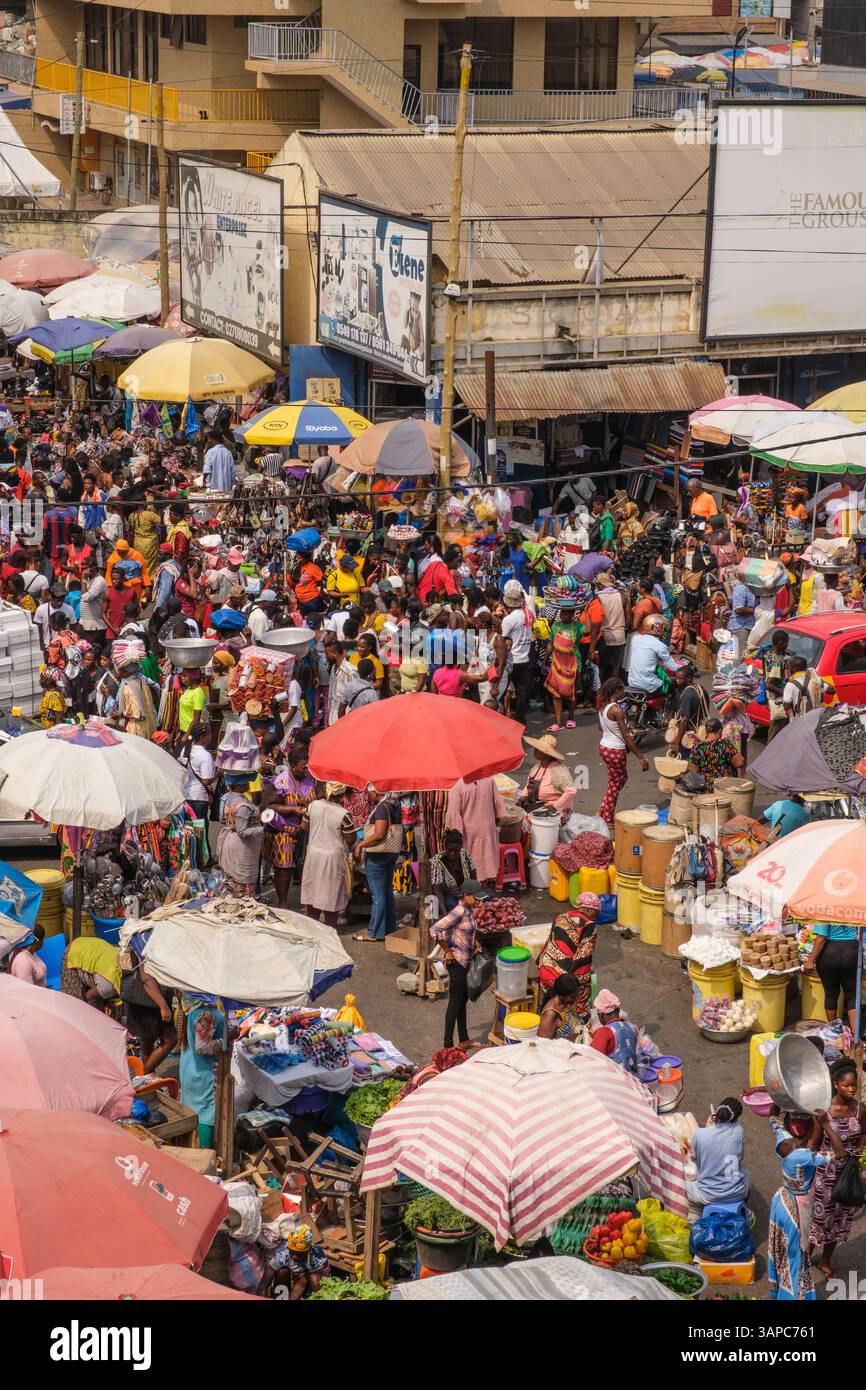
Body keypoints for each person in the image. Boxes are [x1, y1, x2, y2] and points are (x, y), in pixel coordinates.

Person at [768, 1114, 843, 1301]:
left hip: (780, 1202)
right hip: (797, 1209)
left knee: (779, 1248)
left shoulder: (782, 1143)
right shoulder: (806, 1157)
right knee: (796, 1255)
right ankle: (791, 1296)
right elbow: (840, 1152)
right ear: (809, 1131)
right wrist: (825, 1124)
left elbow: (772, 1116)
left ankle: (776, 1289)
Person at [809, 1059, 866, 1278]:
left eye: (854, 1085)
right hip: (826, 1174)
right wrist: (801, 1163)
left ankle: (825, 1260)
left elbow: (863, 1133)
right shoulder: (824, 1112)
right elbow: (813, 1143)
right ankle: (806, 1258)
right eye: (846, 1085)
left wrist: (860, 1150)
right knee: (820, 1218)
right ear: (836, 1085)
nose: (851, 1089)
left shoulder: (860, 1110)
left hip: (849, 1173)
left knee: (841, 1218)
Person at [430, 879, 490, 1050]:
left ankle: (464, 1039)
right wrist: (447, 951)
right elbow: (434, 929)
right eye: (476, 898)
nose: (479, 901)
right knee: (455, 1004)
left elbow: (463, 932)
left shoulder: (469, 911)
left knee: (462, 1002)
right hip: (457, 963)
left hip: (466, 960)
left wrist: (475, 943)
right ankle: (447, 1046)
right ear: (466, 896)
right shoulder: (459, 911)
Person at [261, 749, 315, 910]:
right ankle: (283, 901)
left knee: (306, 865)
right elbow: (267, 806)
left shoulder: (310, 780)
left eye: (307, 767)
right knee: (284, 868)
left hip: (306, 830)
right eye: (303, 767)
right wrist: (292, 810)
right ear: (292, 766)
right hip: (284, 830)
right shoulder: (280, 782)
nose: (306, 770)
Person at [300, 782, 355, 926]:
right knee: (331, 897)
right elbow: (350, 839)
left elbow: (304, 826)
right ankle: (330, 929)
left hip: (313, 856)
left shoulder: (312, 806)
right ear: (342, 795)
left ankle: (313, 930)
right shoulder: (344, 814)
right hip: (332, 859)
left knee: (313, 894)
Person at [596, 678, 649, 824]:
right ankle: (607, 818)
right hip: (615, 750)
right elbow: (626, 735)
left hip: (604, 747)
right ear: (617, 692)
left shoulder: (603, 706)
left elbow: (601, 728)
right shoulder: (617, 710)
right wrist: (640, 757)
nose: (624, 692)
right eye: (622, 689)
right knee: (614, 784)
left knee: (620, 779)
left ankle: (603, 808)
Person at [352, 793, 403, 943]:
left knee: (378, 895)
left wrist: (360, 845)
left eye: (371, 793)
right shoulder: (395, 804)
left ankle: (374, 932)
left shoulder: (382, 807)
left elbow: (380, 834)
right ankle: (389, 928)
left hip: (378, 855)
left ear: (376, 791)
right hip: (390, 853)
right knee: (386, 892)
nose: (369, 796)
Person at [537, 895, 600, 1014]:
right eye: (597, 913)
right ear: (591, 910)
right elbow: (583, 959)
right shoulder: (588, 926)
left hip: (545, 969)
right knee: (581, 1002)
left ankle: (548, 1018)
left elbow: (550, 942)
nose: (597, 917)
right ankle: (577, 1028)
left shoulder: (561, 917)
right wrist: (585, 985)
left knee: (556, 1003)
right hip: (560, 977)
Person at [178, 992, 225, 1148]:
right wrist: (227, 1038)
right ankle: (206, 1152)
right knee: (207, 1114)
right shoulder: (204, 1013)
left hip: (190, 1070)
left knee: (193, 1110)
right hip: (204, 1074)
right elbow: (203, 1047)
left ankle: (193, 1146)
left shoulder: (189, 1006)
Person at [687, 1098, 751, 1210]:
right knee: (747, 1175)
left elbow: (694, 1158)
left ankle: (696, 1213)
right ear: (735, 1118)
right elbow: (739, 1157)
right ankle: (744, 1208)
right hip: (737, 1193)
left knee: (681, 1184)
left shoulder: (699, 1135)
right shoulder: (738, 1131)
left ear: (717, 1111)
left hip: (707, 1195)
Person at [443, 775, 504, 886]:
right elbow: (498, 803)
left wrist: (454, 835)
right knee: (485, 863)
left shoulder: (457, 785)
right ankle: (484, 890)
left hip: (469, 833)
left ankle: (475, 893)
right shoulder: (489, 779)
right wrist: (498, 822)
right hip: (488, 829)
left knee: (472, 866)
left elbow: (454, 814)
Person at [802, 918, 859, 1031]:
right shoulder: (852, 905)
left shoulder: (827, 908)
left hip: (830, 953)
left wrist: (810, 960)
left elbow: (821, 937)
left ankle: (833, 1032)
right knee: (852, 995)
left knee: (831, 994)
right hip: (852, 951)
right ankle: (854, 1034)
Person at [217, 772, 264, 897]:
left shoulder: (227, 798)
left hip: (230, 841)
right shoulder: (243, 805)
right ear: (239, 785)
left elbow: (222, 819)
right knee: (242, 880)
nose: (249, 784)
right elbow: (242, 831)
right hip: (242, 847)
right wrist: (263, 829)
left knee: (231, 878)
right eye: (246, 781)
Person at [260, 1223, 329, 1302]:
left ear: (308, 1250)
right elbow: (263, 1287)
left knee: (314, 1278)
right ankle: (281, 1298)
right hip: (295, 1280)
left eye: (299, 1254)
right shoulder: (282, 1254)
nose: (294, 1257)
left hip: (310, 1283)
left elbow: (305, 1281)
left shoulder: (317, 1257)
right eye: (292, 1252)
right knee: (282, 1272)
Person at [543, 598, 581, 731]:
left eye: (568, 613)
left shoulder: (578, 626)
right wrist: (544, 662)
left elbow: (589, 630)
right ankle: (558, 722)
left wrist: (585, 608)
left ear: (572, 614)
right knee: (556, 693)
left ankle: (571, 718)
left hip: (573, 665)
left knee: (571, 693)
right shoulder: (555, 626)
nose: (565, 616)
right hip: (557, 664)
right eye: (563, 613)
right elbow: (550, 645)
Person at [501, 579, 535, 724]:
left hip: (512, 660)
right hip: (525, 658)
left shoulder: (508, 619)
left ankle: (502, 716)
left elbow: (502, 639)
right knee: (522, 692)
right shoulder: (527, 615)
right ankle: (520, 718)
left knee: (503, 690)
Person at [518, 733, 575, 817]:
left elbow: (571, 791)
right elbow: (528, 785)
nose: (535, 750)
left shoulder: (557, 770)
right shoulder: (537, 767)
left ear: (546, 753)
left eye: (538, 749)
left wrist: (555, 806)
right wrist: (523, 797)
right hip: (537, 805)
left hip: (555, 811)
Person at [60, 935, 120, 1007]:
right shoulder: (108, 986)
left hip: (93, 947)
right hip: (75, 953)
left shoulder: (129, 961)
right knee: (74, 1003)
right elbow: (90, 996)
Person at [687, 716, 744, 790]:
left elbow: (692, 769)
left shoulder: (698, 747)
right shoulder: (724, 744)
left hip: (705, 787)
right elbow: (739, 763)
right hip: (724, 787)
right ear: (720, 730)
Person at [626, 617, 679, 694]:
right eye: (664, 628)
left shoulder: (635, 639)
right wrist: (686, 667)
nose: (665, 631)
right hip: (651, 687)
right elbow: (672, 667)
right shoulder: (660, 645)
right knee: (675, 683)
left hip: (633, 683)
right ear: (659, 629)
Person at [668, 663, 710, 758]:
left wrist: (677, 742)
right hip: (699, 731)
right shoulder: (700, 689)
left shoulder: (687, 695)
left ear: (689, 678)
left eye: (680, 678)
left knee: (685, 765)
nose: (677, 681)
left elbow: (684, 720)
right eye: (676, 678)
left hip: (688, 736)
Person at [431, 829, 477, 915]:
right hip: (449, 893)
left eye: (456, 851)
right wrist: (445, 914)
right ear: (445, 848)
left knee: (484, 902)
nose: (452, 854)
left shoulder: (465, 854)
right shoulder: (437, 861)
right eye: (449, 850)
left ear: (460, 848)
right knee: (454, 910)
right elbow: (438, 890)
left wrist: (471, 894)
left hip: (466, 892)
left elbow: (474, 878)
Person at [591, 989, 638, 1072]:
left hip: (615, 1080)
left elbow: (595, 1062)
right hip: (632, 1079)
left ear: (601, 1015)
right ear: (618, 1011)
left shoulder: (604, 1032)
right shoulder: (632, 1028)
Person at [178, 722, 216, 822]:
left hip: (185, 796)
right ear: (202, 737)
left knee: (189, 829)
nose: (211, 736)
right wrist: (218, 773)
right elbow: (206, 781)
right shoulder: (205, 755)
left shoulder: (185, 750)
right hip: (199, 798)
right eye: (209, 734)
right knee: (200, 831)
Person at [537, 974, 590, 1041]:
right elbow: (543, 1043)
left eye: (576, 995)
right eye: (573, 997)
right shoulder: (551, 1014)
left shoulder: (566, 1003)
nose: (576, 999)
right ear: (562, 996)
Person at [762, 629, 790, 742]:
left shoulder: (767, 654)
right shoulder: (777, 660)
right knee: (775, 731)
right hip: (777, 699)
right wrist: (784, 694)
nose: (787, 645)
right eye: (786, 642)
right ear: (780, 643)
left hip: (771, 698)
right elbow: (769, 684)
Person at [783, 656, 825, 720]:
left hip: (799, 723)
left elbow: (786, 707)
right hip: (817, 719)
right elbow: (832, 690)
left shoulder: (790, 685)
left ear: (795, 669)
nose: (789, 669)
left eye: (789, 667)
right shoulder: (816, 679)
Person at [728, 577, 757, 659]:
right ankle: (736, 671)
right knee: (739, 656)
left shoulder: (752, 589)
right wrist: (757, 610)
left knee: (747, 656)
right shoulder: (741, 588)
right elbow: (738, 609)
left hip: (748, 626)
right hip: (740, 627)